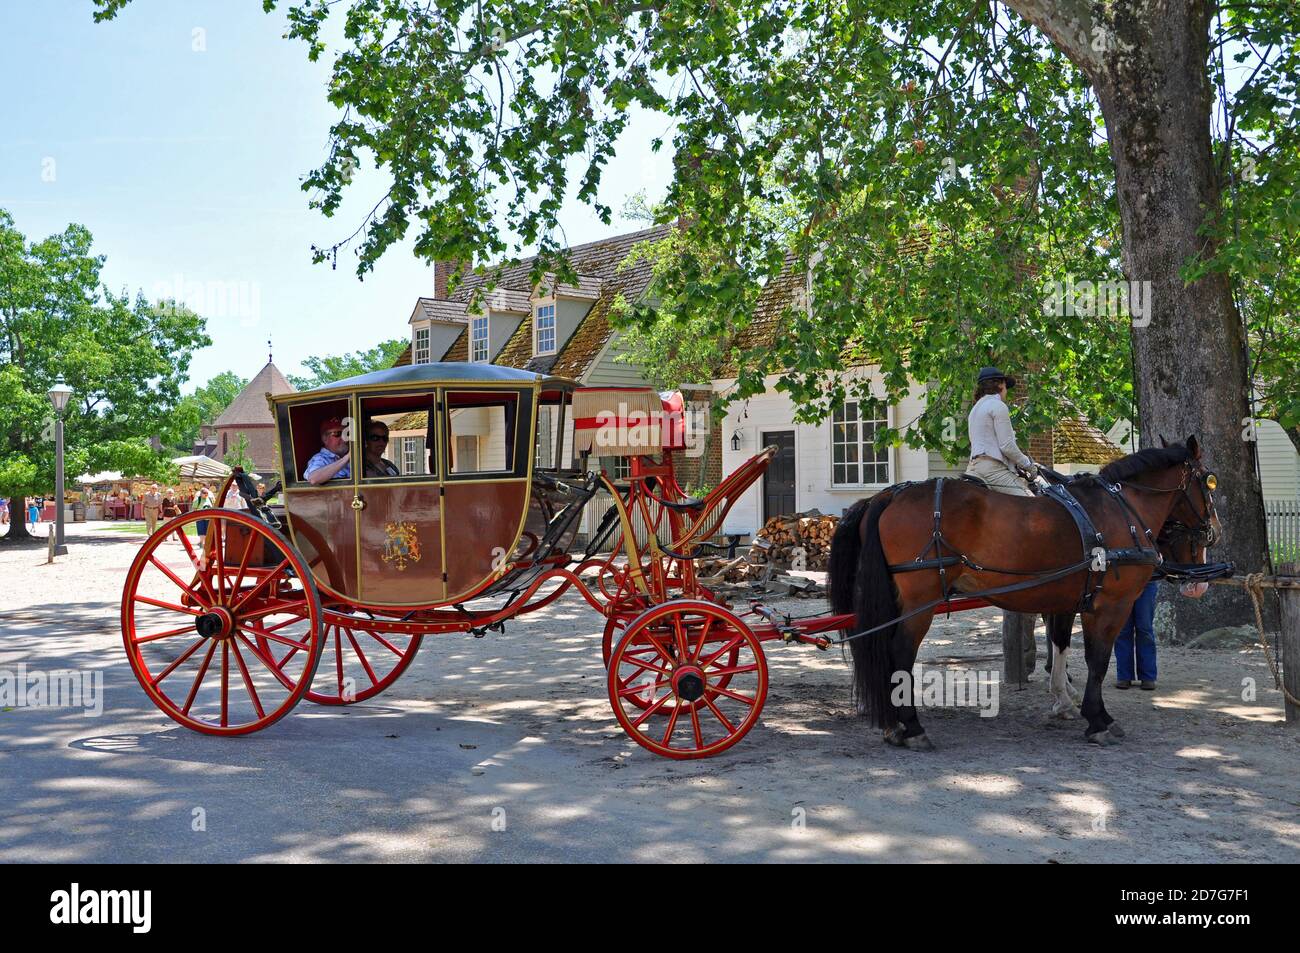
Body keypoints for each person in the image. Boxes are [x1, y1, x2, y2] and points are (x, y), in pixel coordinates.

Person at [965, 365, 1042, 677]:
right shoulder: (999, 405)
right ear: (998, 386)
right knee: (1034, 510)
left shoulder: (975, 409)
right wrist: (1030, 466)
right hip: (992, 469)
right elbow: (1008, 447)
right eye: (1006, 385)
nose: (1007, 389)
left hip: (973, 468)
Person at [1114, 579, 1159, 690]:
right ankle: (1124, 676)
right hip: (1122, 582)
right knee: (1122, 630)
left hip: (1147, 581)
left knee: (1145, 629)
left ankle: (1148, 677)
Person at [304, 417, 352, 484]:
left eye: (346, 434)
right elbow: (313, 479)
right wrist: (346, 458)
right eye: (337, 434)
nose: (344, 439)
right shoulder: (320, 458)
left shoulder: (350, 458)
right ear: (324, 439)